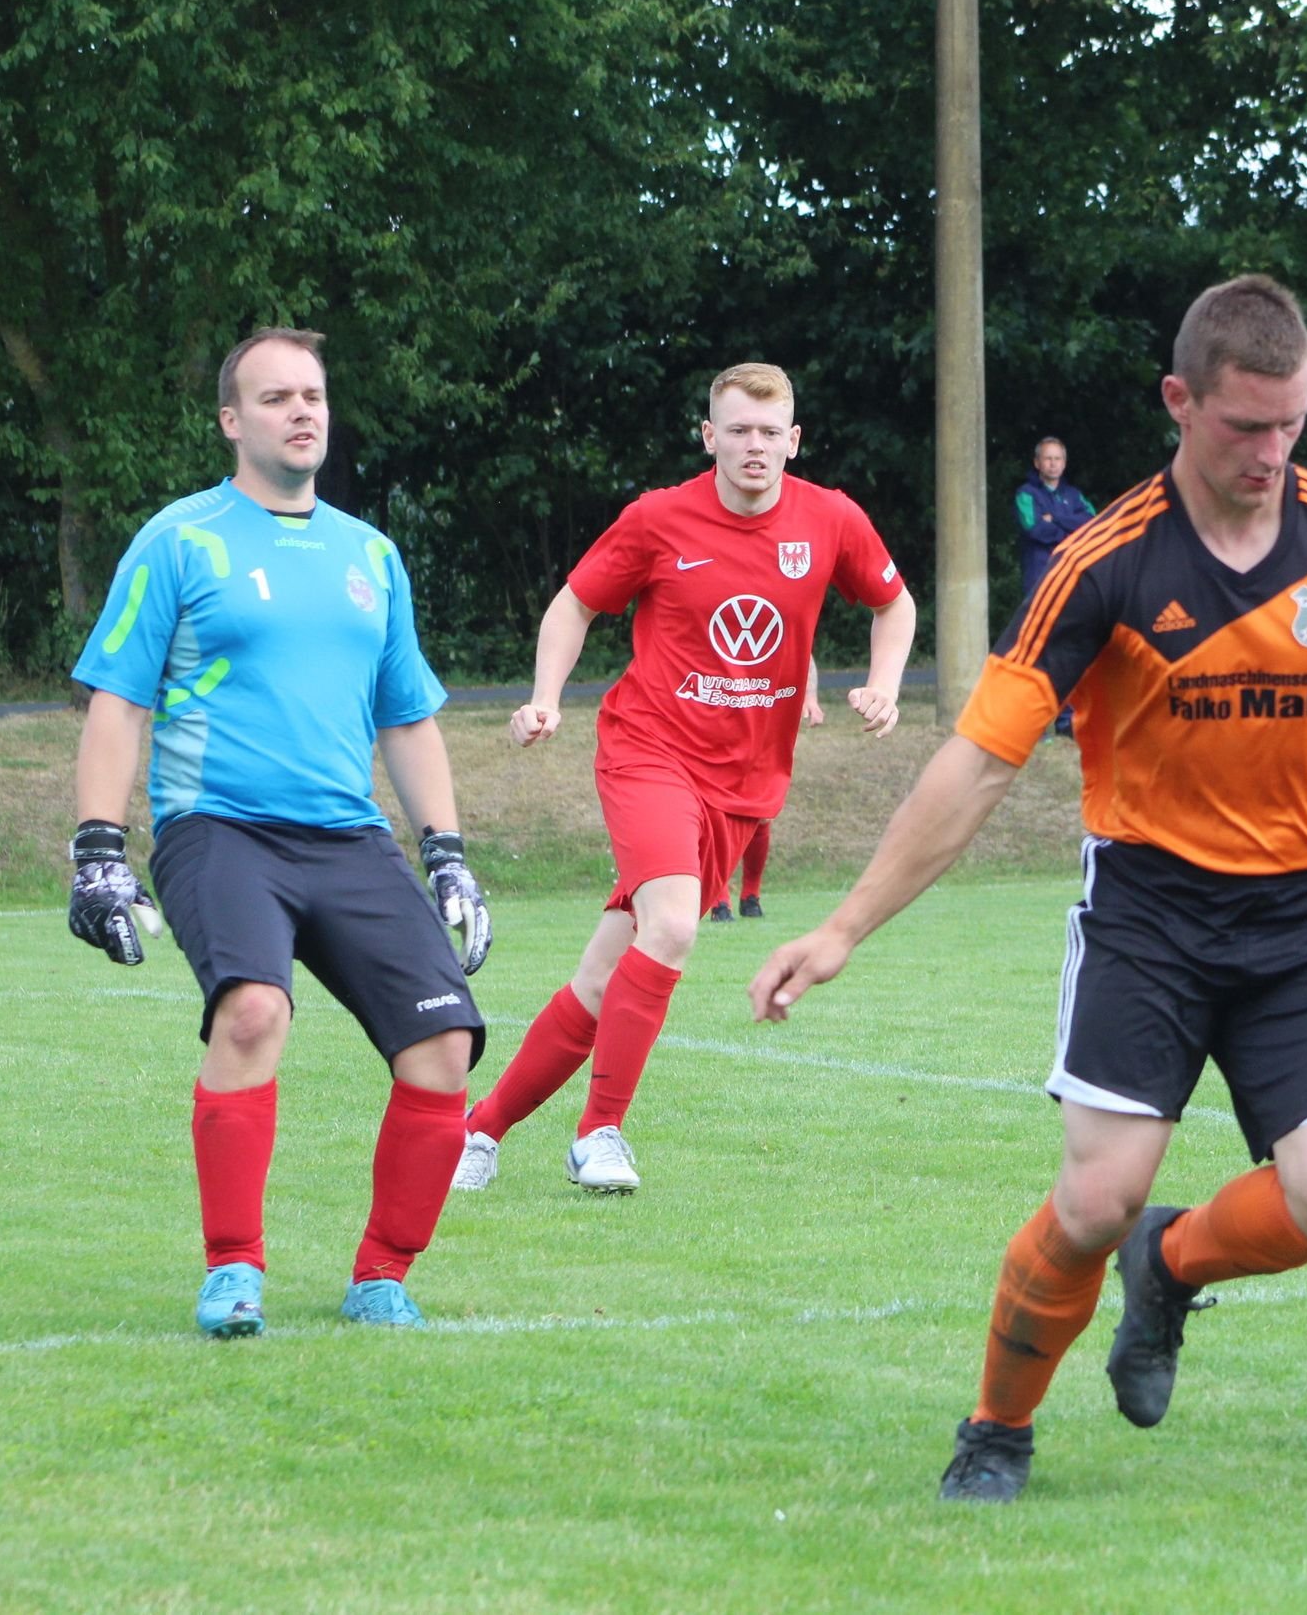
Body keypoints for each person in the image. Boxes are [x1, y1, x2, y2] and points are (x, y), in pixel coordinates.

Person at [750, 275, 1307, 1504]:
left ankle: (1175, 1262)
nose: (1269, 453)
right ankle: (998, 1426)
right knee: (1094, 1195)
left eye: (1291, 425)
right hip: (1151, 914)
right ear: (1178, 400)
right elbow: (980, 759)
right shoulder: (1100, 563)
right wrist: (843, 926)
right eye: (1242, 426)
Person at [68, 326, 492, 1338]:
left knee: (442, 1043)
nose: (302, 410)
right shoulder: (181, 539)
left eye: (313, 394)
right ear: (231, 420)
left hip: (349, 838)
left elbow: (407, 717)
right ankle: (233, 1269)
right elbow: (119, 704)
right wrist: (97, 848)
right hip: (219, 831)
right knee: (253, 1010)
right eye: (275, 397)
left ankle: (382, 1275)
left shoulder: (369, 555)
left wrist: (447, 855)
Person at [451, 364, 914, 1196]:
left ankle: (478, 1129)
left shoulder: (831, 518)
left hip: (745, 784)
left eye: (770, 432)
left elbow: (894, 602)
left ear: (793, 441)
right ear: (709, 436)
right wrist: (545, 700)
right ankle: (600, 1133)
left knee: (604, 976)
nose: (754, 446)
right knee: (670, 925)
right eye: (737, 429)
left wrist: (884, 682)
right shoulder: (659, 518)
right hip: (648, 750)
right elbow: (573, 604)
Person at [709, 660, 824, 923]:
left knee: (762, 812)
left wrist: (809, 697)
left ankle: (751, 895)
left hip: (768, 723)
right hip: (719, 720)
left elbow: (804, 655)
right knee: (718, 810)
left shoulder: (779, 622)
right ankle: (719, 900)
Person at [1016, 439, 1095, 740]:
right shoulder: (1026, 494)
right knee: (1039, 653)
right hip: (1039, 581)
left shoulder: (1073, 495)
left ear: (1064, 462)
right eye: (1047, 459)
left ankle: (1066, 721)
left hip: (1071, 581)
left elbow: (1090, 524)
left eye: (1058, 458)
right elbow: (1034, 528)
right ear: (1037, 463)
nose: (1053, 464)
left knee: (1070, 651)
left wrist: (1057, 519)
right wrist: (1067, 526)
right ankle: (1038, 723)